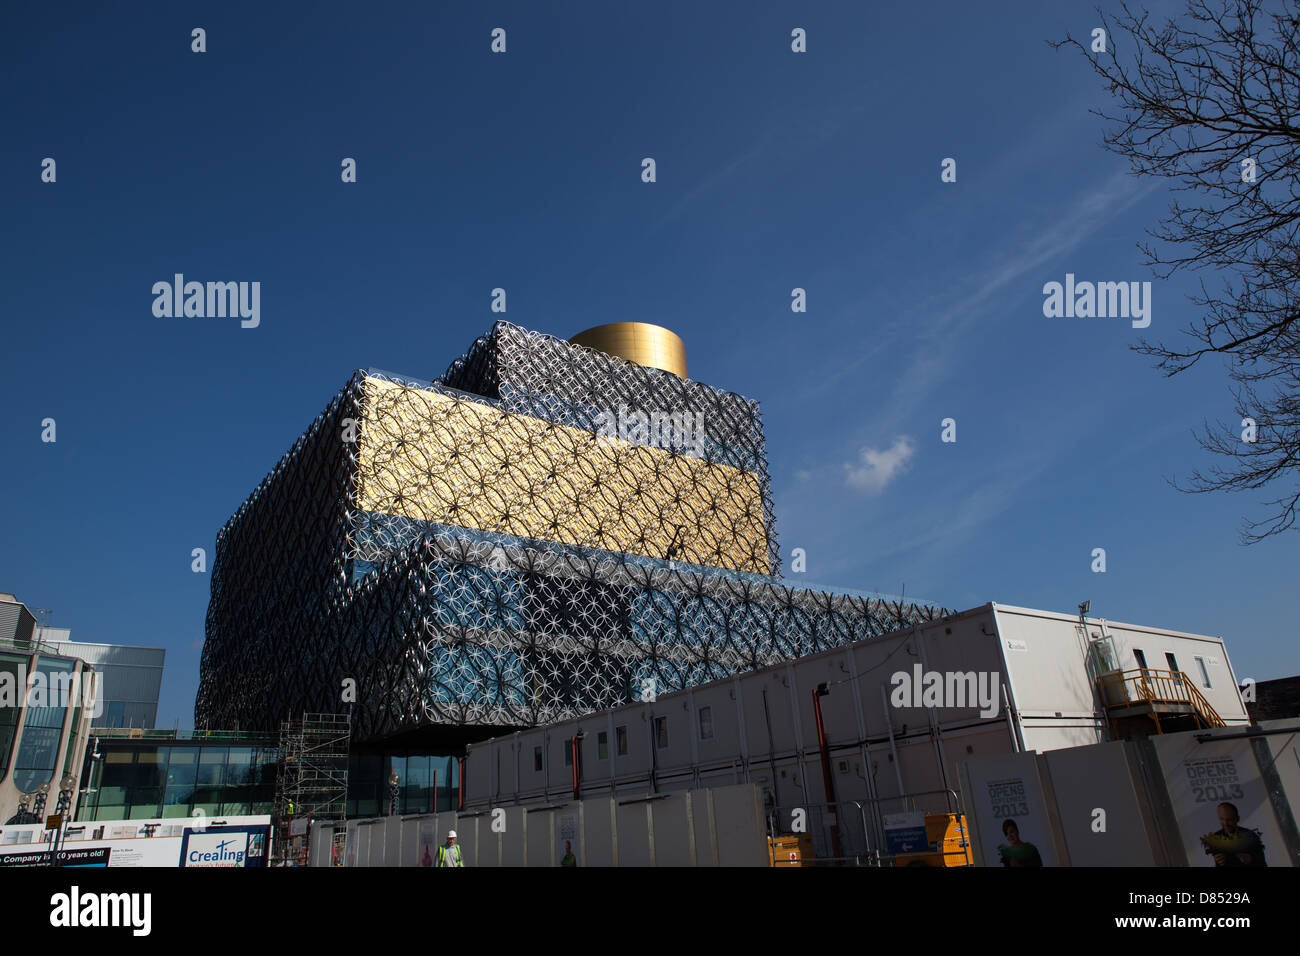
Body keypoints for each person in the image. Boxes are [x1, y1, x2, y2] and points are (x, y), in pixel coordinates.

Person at [1204, 802, 1267, 867]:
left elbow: (1262, 862)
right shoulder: (1215, 837)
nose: (1225, 823)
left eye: (1229, 820)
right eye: (1222, 819)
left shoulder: (1251, 836)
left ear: (1237, 819)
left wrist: (1251, 859)